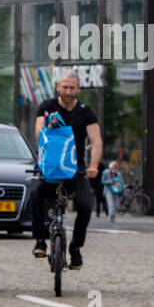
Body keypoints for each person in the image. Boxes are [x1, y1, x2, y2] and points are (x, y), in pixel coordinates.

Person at [30, 72, 102, 270]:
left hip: (75, 170)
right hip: (49, 167)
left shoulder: (85, 111)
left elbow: (96, 141)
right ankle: (40, 240)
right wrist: (48, 126)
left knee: (85, 206)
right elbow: (38, 134)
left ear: (78, 89)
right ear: (58, 87)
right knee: (35, 193)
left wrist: (93, 166)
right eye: (65, 87)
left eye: (72, 88)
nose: (68, 91)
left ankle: (75, 247)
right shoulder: (47, 107)